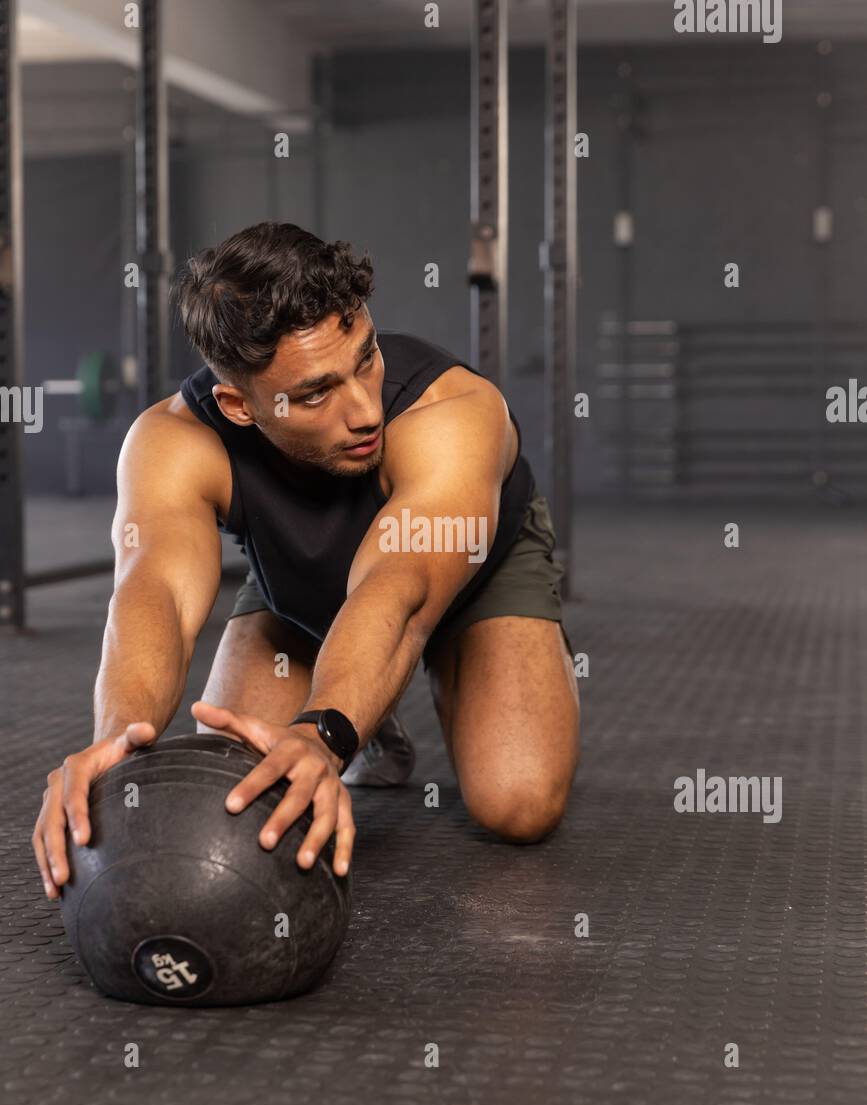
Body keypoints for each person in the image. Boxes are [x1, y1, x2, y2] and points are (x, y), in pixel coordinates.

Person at [33, 222, 580, 898]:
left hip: (465, 572)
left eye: (367, 358)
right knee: (241, 789)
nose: (363, 410)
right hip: (302, 577)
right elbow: (156, 594)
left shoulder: (453, 411)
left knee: (517, 804)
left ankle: (422, 680)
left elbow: (401, 586)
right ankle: (366, 706)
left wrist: (324, 730)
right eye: (316, 392)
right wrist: (113, 749)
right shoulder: (173, 439)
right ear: (239, 404)